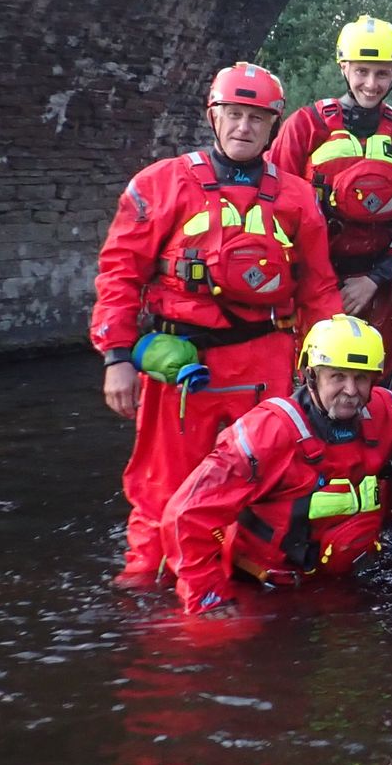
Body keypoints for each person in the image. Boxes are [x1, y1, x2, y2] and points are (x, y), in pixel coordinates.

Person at [91, 62, 340, 587]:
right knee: (164, 481)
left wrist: (331, 369)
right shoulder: (161, 185)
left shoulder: (297, 198)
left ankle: (238, 578)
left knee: (265, 475)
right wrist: (117, 357)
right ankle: (149, 581)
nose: (244, 127)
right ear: (213, 115)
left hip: (267, 355)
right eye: (234, 114)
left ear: (274, 125)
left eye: (256, 117)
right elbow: (120, 274)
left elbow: (318, 289)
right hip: (184, 365)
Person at [159, 315, 392, 615]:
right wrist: (208, 596)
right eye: (338, 376)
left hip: (341, 583)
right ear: (310, 375)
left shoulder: (381, 411)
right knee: (220, 639)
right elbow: (186, 514)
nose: (351, 390)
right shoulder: (267, 433)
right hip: (266, 588)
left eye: (361, 378)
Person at [268, 16, 392, 378]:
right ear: (344, 67)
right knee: (316, 382)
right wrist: (317, 286)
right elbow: (273, 210)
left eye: (382, 74)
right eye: (362, 72)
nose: (371, 84)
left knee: (376, 384)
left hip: (379, 281)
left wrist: (376, 278)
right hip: (315, 281)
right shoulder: (307, 126)